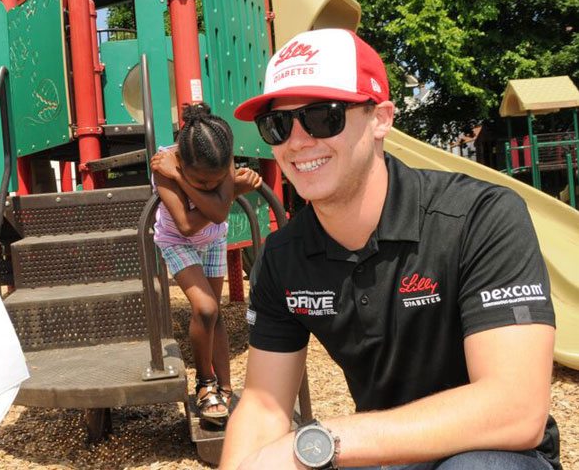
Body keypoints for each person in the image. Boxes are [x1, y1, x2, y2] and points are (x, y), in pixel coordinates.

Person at [220, 28, 559, 469]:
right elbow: (265, 406)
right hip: (383, 454)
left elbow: (515, 409)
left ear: (381, 118)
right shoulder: (284, 257)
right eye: (278, 124)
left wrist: (318, 442)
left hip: (492, 453)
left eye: (324, 116)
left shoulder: (481, 217)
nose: (297, 141)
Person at [150, 103, 262, 426]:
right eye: (200, 182)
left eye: (216, 183)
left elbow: (219, 213)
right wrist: (224, 193)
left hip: (213, 238)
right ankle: (204, 383)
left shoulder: (219, 155)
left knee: (216, 315)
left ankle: (225, 388)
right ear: (181, 163)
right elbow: (185, 223)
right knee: (206, 308)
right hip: (177, 240)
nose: (210, 186)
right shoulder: (165, 164)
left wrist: (213, 196)